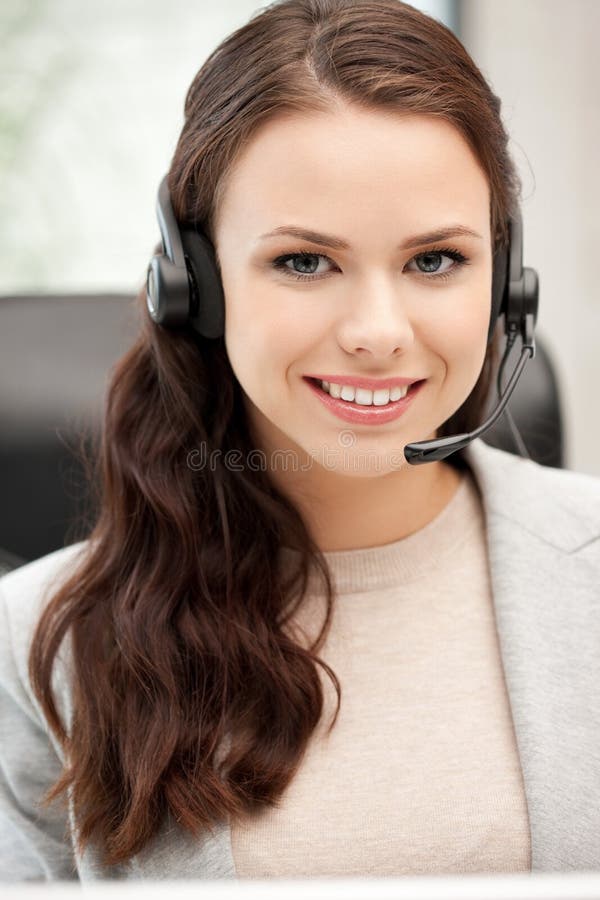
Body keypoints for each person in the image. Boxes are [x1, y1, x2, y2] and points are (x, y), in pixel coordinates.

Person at [1, 0, 600, 883]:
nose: (377, 331)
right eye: (304, 262)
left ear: (507, 286)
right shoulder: (38, 646)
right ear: (194, 285)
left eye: (435, 260)